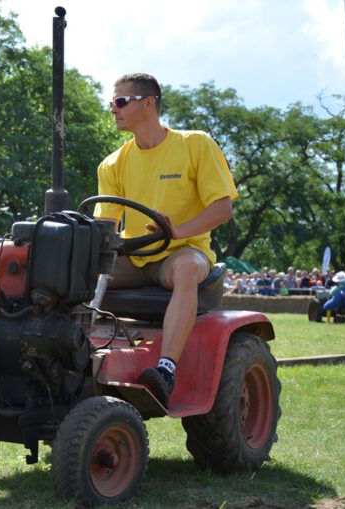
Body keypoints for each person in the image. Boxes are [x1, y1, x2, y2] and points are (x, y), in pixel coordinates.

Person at [93, 73, 237, 406]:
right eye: (111, 102)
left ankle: (166, 370)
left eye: (119, 101)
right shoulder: (112, 164)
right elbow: (106, 225)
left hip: (184, 253)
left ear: (148, 103)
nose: (113, 109)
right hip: (136, 258)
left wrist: (179, 232)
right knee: (74, 273)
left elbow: (222, 208)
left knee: (186, 269)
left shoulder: (195, 144)